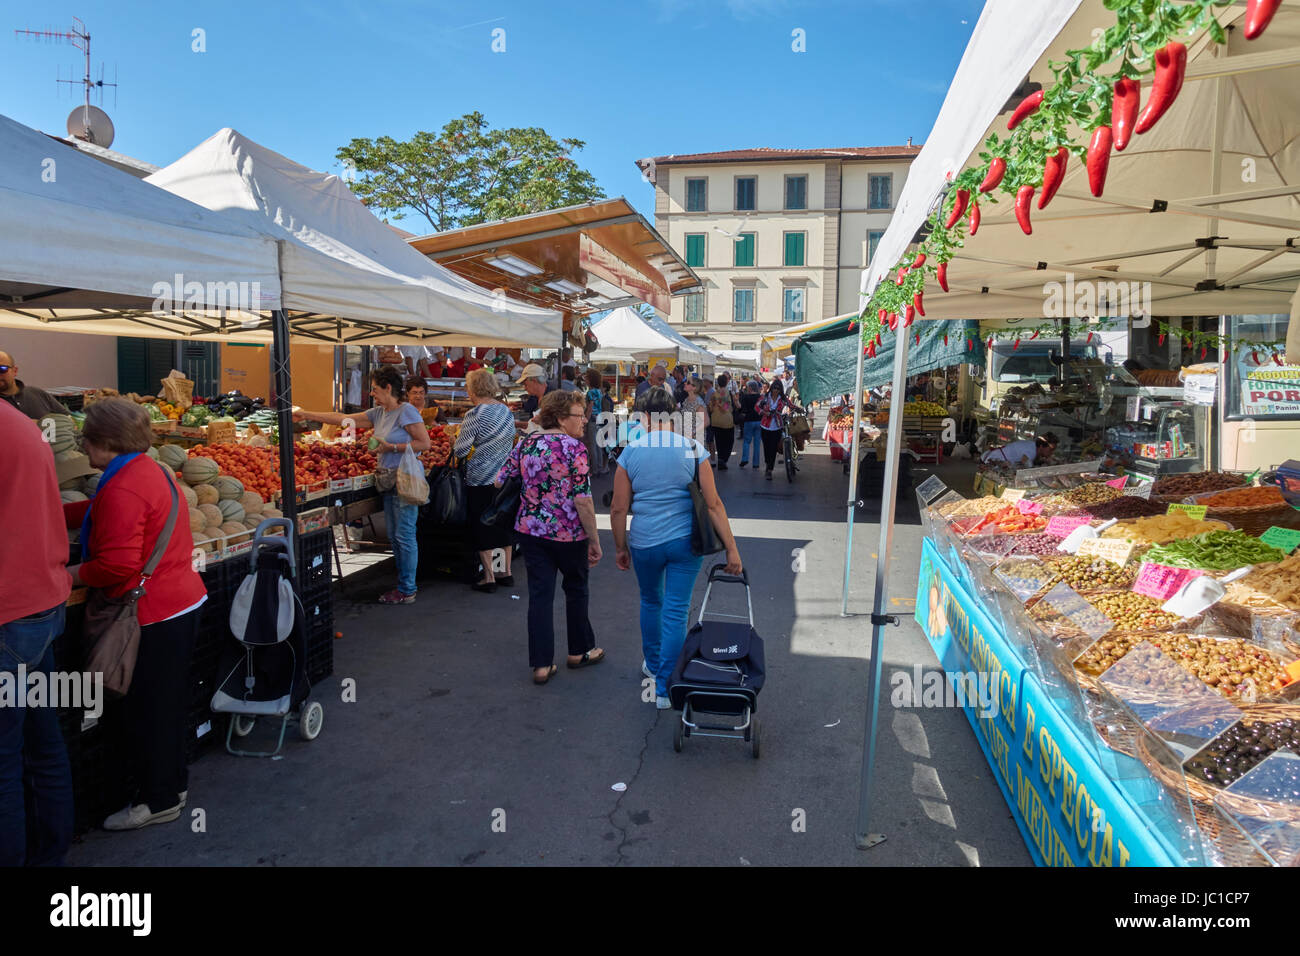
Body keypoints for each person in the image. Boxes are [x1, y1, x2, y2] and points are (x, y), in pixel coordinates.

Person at [63, 397, 206, 832]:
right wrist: (57, 512)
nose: (84, 449)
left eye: (86, 440)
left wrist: (67, 574)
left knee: (145, 710)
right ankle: (171, 786)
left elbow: (118, 565)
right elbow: (111, 510)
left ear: (104, 442)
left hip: (150, 614)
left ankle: (157, 801)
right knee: (164, 705)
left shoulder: (122, 484)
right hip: (180, 601)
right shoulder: (150, 469)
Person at [609, 386, 743, 709]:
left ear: (642, 417)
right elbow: (713, 505)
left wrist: (620, 547)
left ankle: (653, 666)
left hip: (645, 542)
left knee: (650, 602)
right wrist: (732, 549)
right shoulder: (693, 450)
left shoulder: (630, 452)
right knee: (676, 610)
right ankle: (666, 688)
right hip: (685, 542)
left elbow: (618, 508)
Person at [0, 401, 73, 863]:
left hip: (8, 614)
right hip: (43, 603)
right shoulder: (19, 421)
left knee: (4, 761)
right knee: (44, 746)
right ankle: (51, 855)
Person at [295, 366, 431, 604]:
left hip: (405, 480)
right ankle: (403, 584)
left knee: (404, 535)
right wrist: (306, 414)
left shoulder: (406, 411)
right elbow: (341, 419)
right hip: (386, 480)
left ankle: (407, 589)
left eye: (376, 389)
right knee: (395, 535)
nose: (372, 394)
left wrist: (392, 448)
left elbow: (424, 443)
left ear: (388, 388)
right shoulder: (379, 413)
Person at [495, 391, 603, 684]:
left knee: (540, 597)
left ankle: (541, 665)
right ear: (560, 417)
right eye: (579, 416)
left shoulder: (527, 443)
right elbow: (583, 500)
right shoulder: (574, 449)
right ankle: (579, 650)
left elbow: (499, 479)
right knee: (577, 589)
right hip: (569, 533)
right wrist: (594, 539)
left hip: (531, 530)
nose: (584, 421)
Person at [454, 369, 519, 593]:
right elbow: (511, 440)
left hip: (480, 477)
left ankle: (489, 577)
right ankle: (505, 572)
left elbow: (461, 450)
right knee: (502, 524)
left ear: (473, 389)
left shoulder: (475, 414)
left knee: (482, 524)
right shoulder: (505, 411)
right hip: (503, 477)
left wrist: (456, 438)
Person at [0, 350, 71, 421]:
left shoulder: (37, 393)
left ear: (15, 371)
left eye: (2, 369)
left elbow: (69, 419)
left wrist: (43, 425)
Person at [757, 378, 799, 480]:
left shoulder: (783, 399)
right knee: (767, 448)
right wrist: (763, 412)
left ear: (780, 389)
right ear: (771, 388)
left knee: (773, 448)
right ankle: (768, 464)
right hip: (765, 426)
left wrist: (799, 408)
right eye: (774, 388)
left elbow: (791, 405)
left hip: (777, 426)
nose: (776, 390)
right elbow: (757, 407)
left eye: (778, 388)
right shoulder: (765, 397)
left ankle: (769, 469)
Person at [708, 372, 738, 471]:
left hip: (715, 421)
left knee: (719, 442)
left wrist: (716, 405)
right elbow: (726, 407)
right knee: (729, 441)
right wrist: (722, 405)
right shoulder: (727, 393)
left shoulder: (714, 393)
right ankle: (723, 459)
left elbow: (710, 407)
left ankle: (721, 459)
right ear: (726, 382)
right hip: (726, 421)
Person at [981, 432, 1059, 467]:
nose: (1051, 453)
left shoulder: (1033, 447)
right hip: (992, 460)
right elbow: (1028, 467)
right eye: (1050, 450)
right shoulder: (1031, 451)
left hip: (995, 457)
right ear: (1041, 446)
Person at [737, 379, 763, 468]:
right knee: (757, 443)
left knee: (747, 441)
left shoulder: (745, 397)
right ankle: (756, 463)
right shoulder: (760, 397)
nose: (747, 388)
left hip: (748, 421)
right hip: (759, 421)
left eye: (748, 387)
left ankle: (745, 459)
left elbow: (742, 409)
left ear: (750, 388)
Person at [679, 377, 708, 445]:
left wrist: (693, 432)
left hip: (696, 440)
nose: (685, 383)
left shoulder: (698, 402)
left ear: (694, 387)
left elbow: (706, 421)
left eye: (688, 383)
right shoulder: (687, 399)